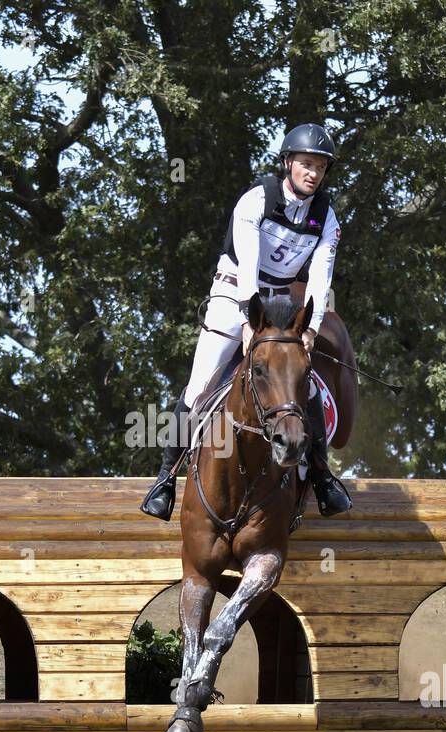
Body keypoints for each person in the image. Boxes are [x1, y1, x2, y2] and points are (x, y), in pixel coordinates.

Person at [139, 122, 352, 521]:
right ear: (288, 162)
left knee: (303, 391)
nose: (313, 173)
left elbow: (320, 278)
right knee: (201, 383)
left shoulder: (327, 218)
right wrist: (247, 320)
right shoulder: (256, 199)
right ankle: (165, 480)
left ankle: (323, 478)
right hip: (234, 289)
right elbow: (250, 264)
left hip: (281, 300)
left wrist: (308, 328)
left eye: (320, 168)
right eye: (306, 164)